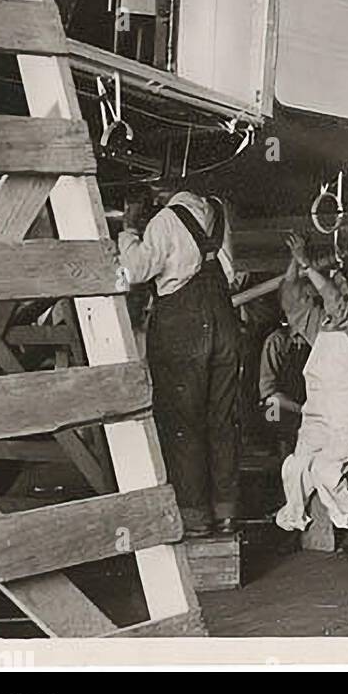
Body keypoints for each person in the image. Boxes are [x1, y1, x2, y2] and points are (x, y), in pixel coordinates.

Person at [118, 187, 239, 536]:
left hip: (182, 325)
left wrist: (128, 228)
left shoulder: (165, 220)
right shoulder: (219, 210)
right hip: (224, 319)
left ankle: (195, 516)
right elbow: (232, 270)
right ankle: (227, 512)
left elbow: (135, 270)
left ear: (164, 192)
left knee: (183, 421)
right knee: (223, 419)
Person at [273, 234, 348, 547]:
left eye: (341, 285)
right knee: (294, 466)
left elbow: (334, 299)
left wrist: (307, 263)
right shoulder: (318, 325)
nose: (334, 289)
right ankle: (291, 521)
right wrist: (295, 260)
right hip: (320, 416)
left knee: (325, 469)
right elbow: (289, 298)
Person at [259, 319, 311, 458]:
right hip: (284, 408)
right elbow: (269, 392)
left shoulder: (320, 341)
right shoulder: (277, 341)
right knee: (272, 412)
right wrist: (303, 410)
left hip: (313, 412)